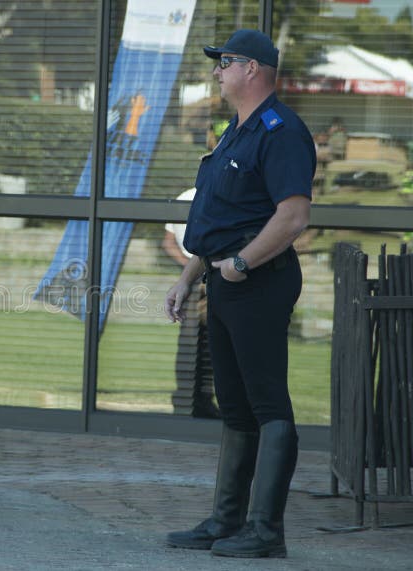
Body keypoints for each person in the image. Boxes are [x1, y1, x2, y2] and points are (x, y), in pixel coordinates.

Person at [163, 30, 315, 559]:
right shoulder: (236, 131)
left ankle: (265, 531)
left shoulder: (281, 131)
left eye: (223, 63)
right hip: (223, 280)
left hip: (259, 283)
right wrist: (188, 276)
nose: (215, 71)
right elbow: (223, 219)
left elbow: (292, 215)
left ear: (252, 69)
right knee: (235, 409)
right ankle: (227, 523)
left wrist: (244, 263)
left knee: (268, 404)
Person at [162, 188, 219, 419]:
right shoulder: (213, 195)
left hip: (195, 272)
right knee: (201, 341)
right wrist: (193, 267)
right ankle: (195, 402)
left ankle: (194, 400)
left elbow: (168, 243)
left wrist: (187, 266)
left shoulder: (182, 196)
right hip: (206, 274)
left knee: (196, 342)